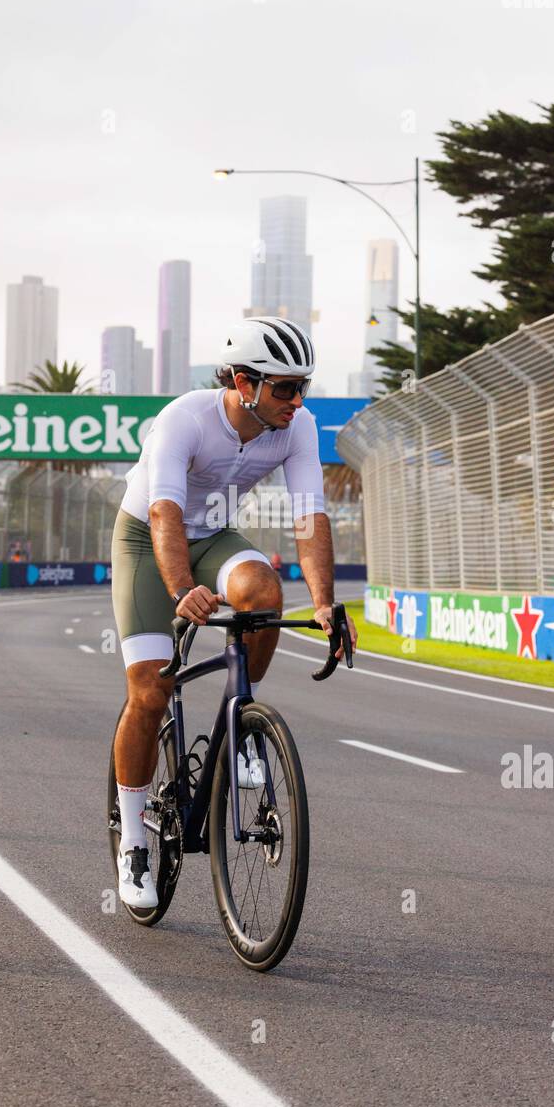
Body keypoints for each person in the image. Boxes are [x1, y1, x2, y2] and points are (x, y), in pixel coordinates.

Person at [110, 317, 359, 907]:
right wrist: (180, 591)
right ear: (244, 382)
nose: (297, 401)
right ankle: (135, 842)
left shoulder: (296, 426)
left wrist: (323, 602)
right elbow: (166, 512)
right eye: (284, 388)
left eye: (303, 387)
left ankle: (240, 724)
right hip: (148, 539)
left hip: (216, 535)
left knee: (265, 593)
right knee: (149, 692)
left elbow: (308, 516)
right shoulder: (185, 418)